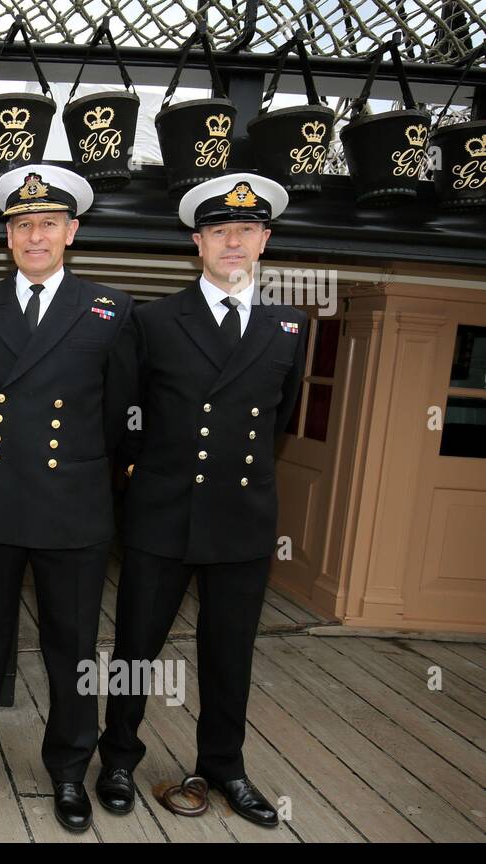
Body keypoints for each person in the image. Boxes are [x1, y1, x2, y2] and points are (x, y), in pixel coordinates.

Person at [97, 172, 306, 826]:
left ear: (265, 239)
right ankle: (118, 758)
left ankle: (224, 764)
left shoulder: (290, 325)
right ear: (198, 241)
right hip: (162, 512)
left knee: (230, 652)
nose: (234, 241)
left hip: (242, 517)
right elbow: (122, 415)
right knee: (135, 646)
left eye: (246, 230)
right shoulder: (154, 319)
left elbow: (279, 423)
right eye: (220, 231)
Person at [0, 164, 136, 831]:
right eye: (22, 224)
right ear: (8, 234)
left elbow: (118, 414)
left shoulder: (110, 307)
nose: (34, 235)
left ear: (71, 230)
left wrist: (76, 461)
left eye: (48, 223)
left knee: (73, 645)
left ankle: (68, 766)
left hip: (71, 501)